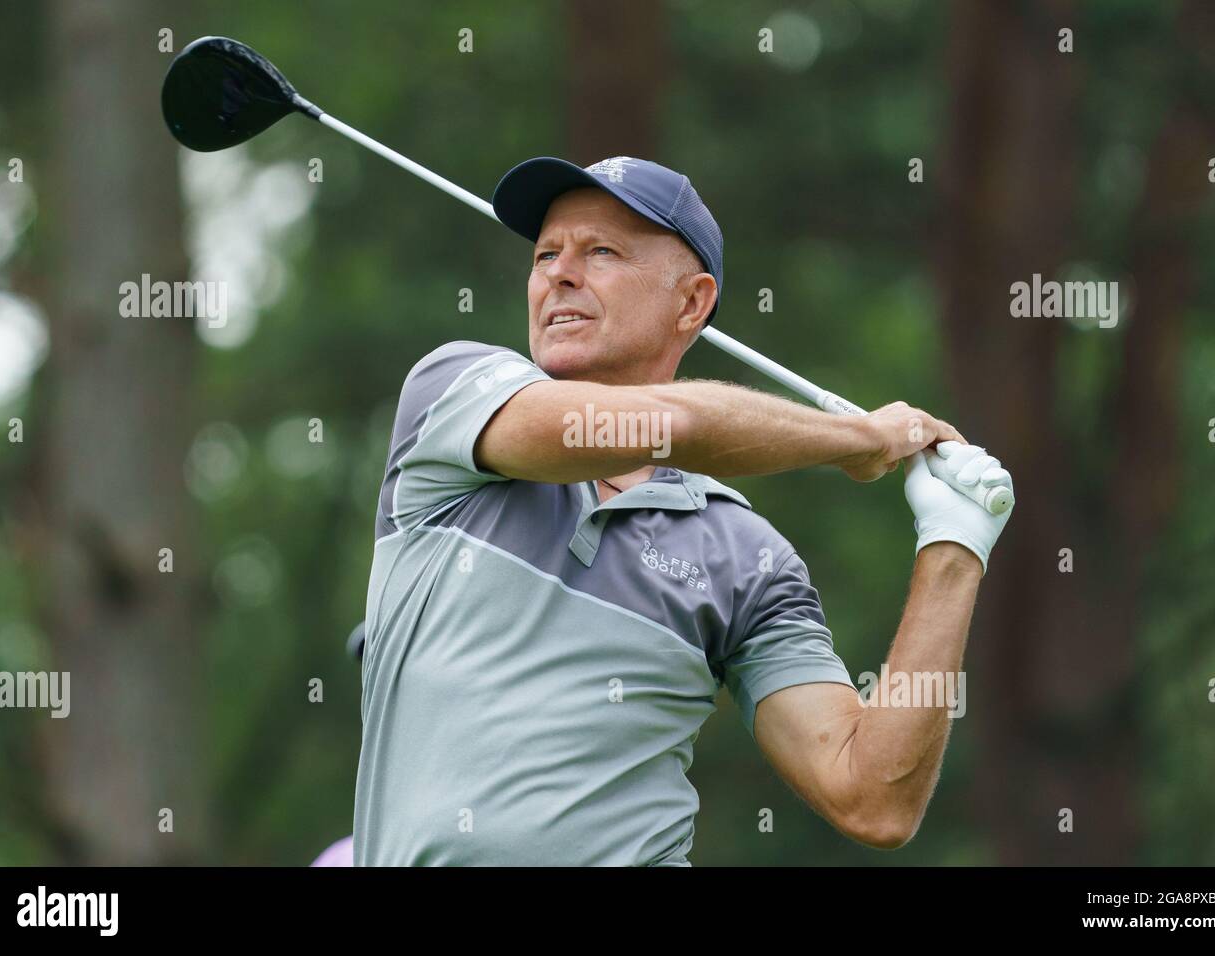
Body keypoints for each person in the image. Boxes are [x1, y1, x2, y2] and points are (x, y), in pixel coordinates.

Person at [352, 155, 1013, 865]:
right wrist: (862, 438)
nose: (558, 275)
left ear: (692, 303)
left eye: (601, 251)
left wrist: (953, 545)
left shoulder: (744, 557)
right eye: (547, 253)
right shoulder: (455, 399)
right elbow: (669, 426)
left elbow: (872, 797)